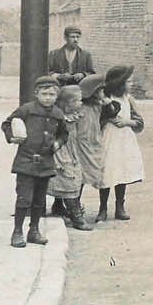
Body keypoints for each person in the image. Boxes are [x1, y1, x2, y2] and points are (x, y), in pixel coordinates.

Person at [1, 74, 67, 248]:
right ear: (36, 94)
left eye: (52, 95)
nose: (48, 98)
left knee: (39, 200)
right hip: (26, 161)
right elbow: (7, 124)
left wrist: (57, 144)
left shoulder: (58, 114)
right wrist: (12, 137)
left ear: (57, 96)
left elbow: (64, 134)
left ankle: (34, 231)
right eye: (44, 94)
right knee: (24, 198)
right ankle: (17, 232)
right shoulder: (26, 110)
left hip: (45, 162)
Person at [98, 65, 146, 223]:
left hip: (124, 139)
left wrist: (128, 122)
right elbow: (98, 119)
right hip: (109, 137)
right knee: (107, 171)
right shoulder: (105, 98)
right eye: (128, 82)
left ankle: (120, 206)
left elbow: (139, 122)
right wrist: (108, 117)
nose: (131, 85)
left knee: (122, 171)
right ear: (119, 83)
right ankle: (103, 208)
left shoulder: (128, 99)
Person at [45, 85, 94, 231]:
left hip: (71, 151)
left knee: (74, 179)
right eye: (77, 100)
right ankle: (76, 217)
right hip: (60, 152)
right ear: (67, 103)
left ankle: (59, 207)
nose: (80, 103)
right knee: (68, 181)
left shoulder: (75, 115)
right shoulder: (57, 117)